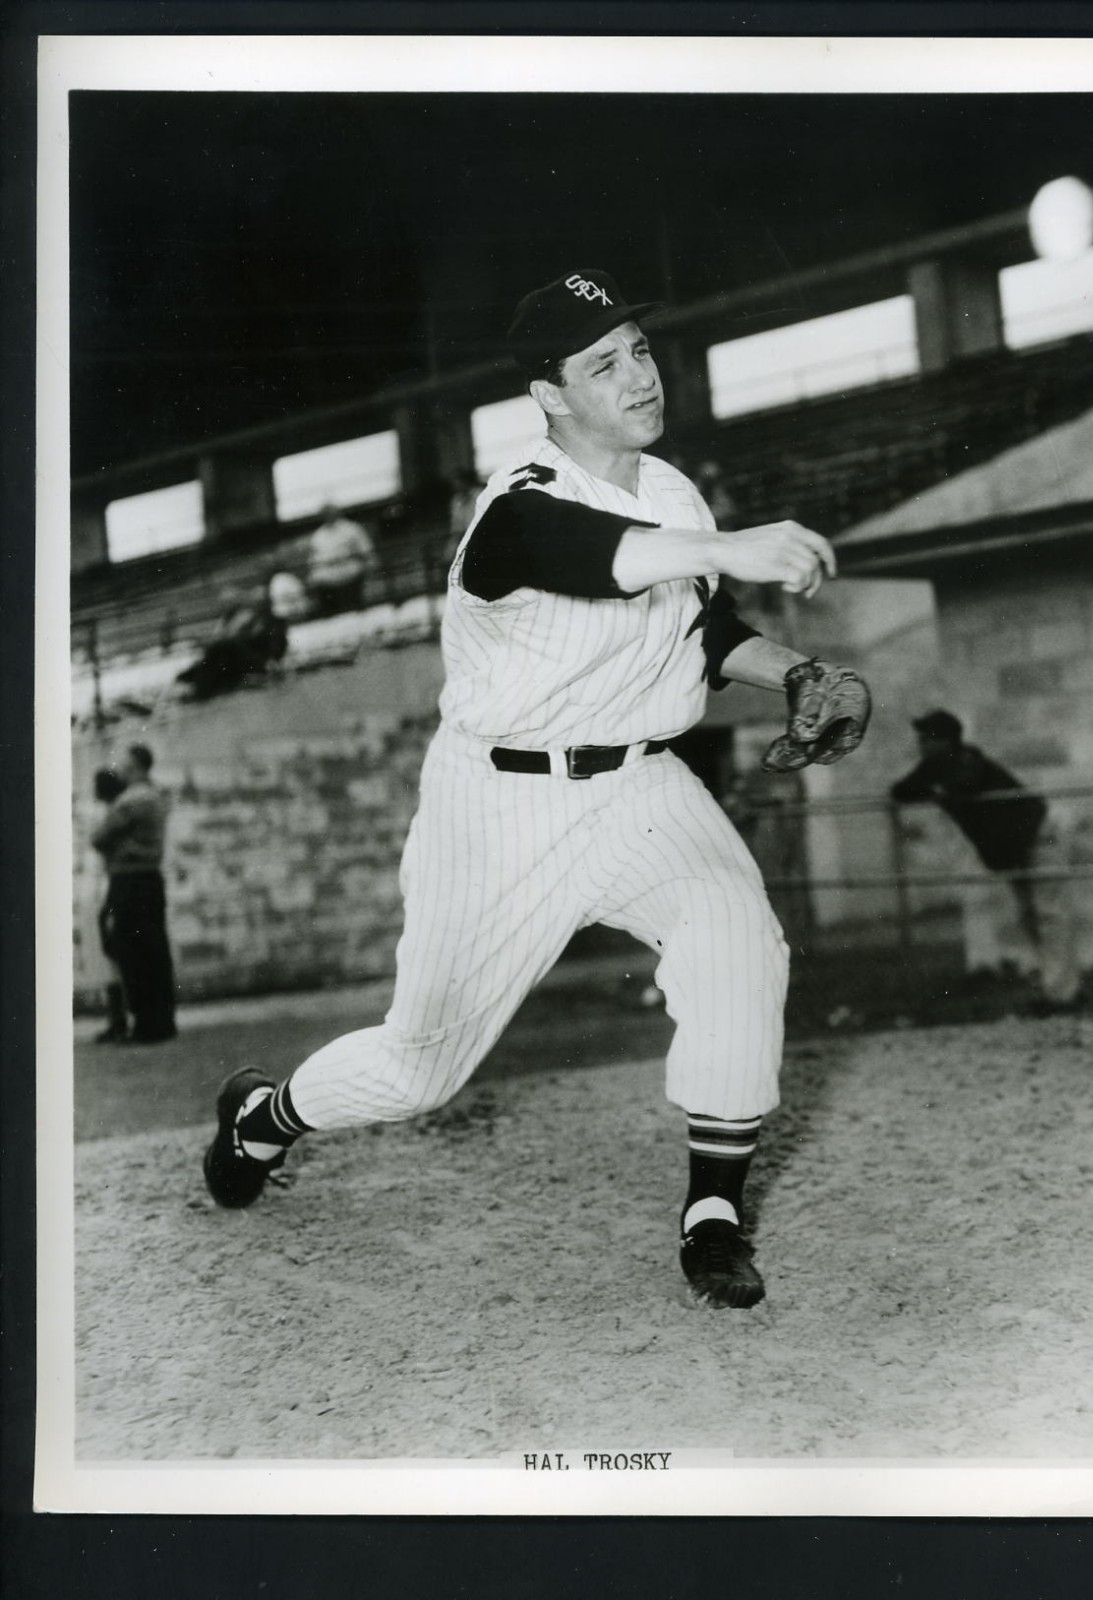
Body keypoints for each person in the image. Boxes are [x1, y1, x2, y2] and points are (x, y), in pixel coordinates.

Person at [202, 265, 850, 1310]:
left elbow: (691, 623)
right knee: (421, 1069)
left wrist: (799, 673)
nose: (638, 373)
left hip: (640, 785)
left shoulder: (672, 489)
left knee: (739, 946)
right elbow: (585, 554)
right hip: (501, 806)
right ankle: (265, 1116)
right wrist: (736, 543)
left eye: (639, 347)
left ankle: (713, 1213)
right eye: (604, 363)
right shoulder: (518, 503)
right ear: (550, 396)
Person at [890, 709, 1080, 1007]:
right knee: (1030, 916)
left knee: (1049, 914)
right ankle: (1054, 987)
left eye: (928, 739)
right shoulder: (933, 768)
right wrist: (934, 788)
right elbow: (900, 791)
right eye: (922, 739)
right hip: (1016, 847)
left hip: (1040, 835)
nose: (922, 745)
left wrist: (936, 790)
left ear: (947, 742)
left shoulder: (970, 760)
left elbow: (964, 784)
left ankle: (1062, 994)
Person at [91, 745, 178, 1043]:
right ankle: (162, 1022)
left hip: (129, 881)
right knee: (155, 951)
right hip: (149, 879)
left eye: (127, 766)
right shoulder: (155, 795)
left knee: (132, 953)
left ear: (137, 767)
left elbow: (99, 837)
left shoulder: (132, 799)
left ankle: (144, 1025)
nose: (122, 772)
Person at [176, 585, 289, 700]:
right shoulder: (244, 619)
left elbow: (275, 648)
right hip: (243, 657)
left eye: (259, 602)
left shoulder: (273, 622)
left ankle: (198, 687)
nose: (256, 605)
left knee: (222, 649)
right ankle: (194, 680)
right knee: (219, 655)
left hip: (259, 661)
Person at [85, 766, 130, 1043]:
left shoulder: (109, 815)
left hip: (109, 885)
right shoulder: (115, 813)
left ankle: (119, 1018)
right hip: (107, 885)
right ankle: (118, 1018)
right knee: (112, 956)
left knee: (113, 955)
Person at [305, 503, 379, 616]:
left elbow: (365, 548)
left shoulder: (351, 528)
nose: (327, 516)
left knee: (354, 609)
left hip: (350, 573)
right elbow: (313, 560)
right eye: (324, 514)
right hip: (328, 578)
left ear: (337, 512)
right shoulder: (318, 535)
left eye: (330, 512)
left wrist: (371, 563)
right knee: (331, 611)